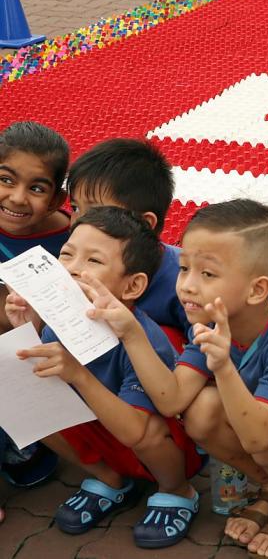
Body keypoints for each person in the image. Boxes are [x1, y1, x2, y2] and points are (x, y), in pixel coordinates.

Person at [88, 199, 268, 558]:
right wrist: (131, 333)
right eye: (185, 268)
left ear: (257, 290)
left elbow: (259, 436)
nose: (188, 285)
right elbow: (172, 400)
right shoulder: (210, 322)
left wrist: (222, 367)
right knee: (200, 410)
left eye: (207, 274)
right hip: (265, 424)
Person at [7, 207, 202, 548]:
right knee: (24, 397)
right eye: (66, 254)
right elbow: (42, 380)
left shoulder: (142, 339)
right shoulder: (57, 324)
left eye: (93, 262)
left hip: (163, 445)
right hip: (103, 432)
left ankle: (177, 491)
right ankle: (110, 480)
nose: (71, 269)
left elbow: (137, 431)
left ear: (132, 285)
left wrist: (78, 375)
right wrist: (25, 328)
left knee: (151, 433)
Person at [0, 121, 70, 503]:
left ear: (57, 200)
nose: (17, 198)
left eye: (36, 188)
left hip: (46, 353)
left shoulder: (73, 239)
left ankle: (25, 443)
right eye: (6, 180)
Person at [66, 138, 189, 347]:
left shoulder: (186, 282)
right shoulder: (72, 260)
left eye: (97, 211)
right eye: (75, 208)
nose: (81, 221)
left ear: (145, 223)